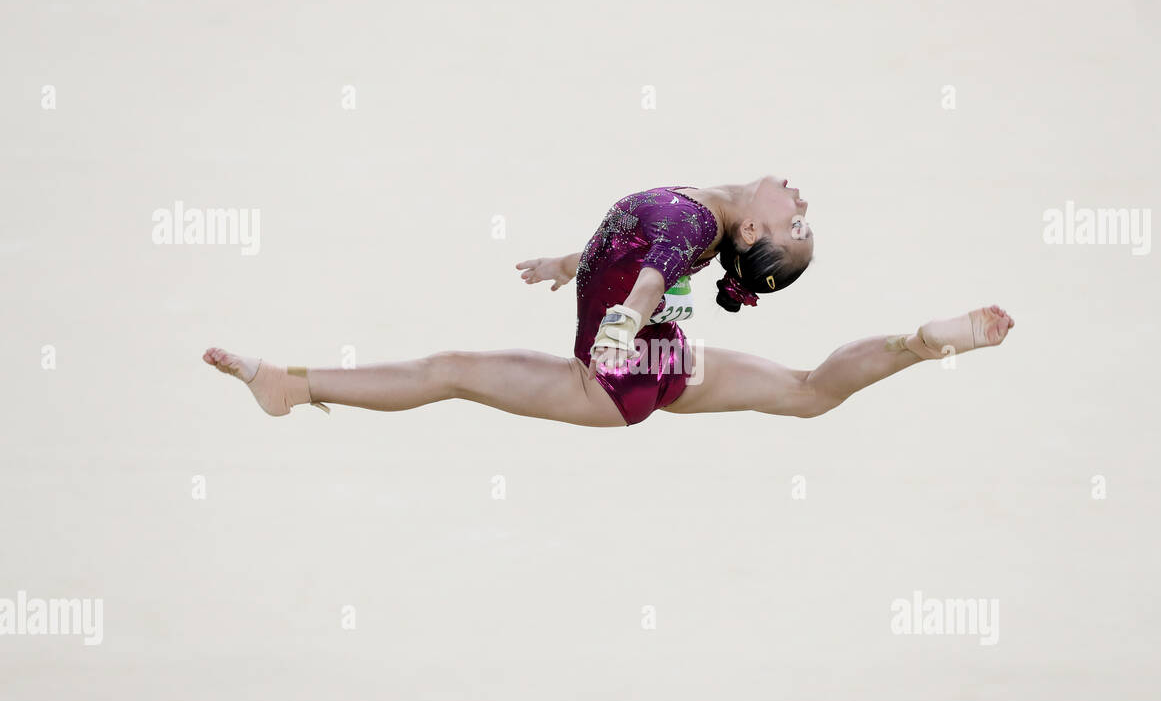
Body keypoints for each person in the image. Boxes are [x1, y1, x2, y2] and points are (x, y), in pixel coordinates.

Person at [203, 176, 1014, 426]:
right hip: (664, 359)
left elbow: (654, 271)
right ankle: (919, 344)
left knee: (447, 369)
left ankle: (292, 384)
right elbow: (635, 253)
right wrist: (571, 262)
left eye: (796, 222)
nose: (800, 198)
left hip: (616, 373)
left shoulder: (696, 220)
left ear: (758, 229)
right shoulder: (710, 218)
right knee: (805, 394)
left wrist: (622, 321)